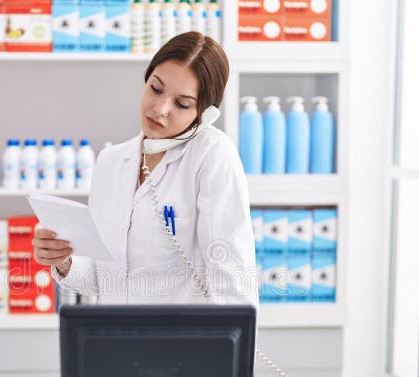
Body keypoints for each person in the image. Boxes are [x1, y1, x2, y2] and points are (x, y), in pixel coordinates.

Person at [33, 32, 257, 306]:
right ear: (146, 78)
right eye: (156, 88)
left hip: (183, 343)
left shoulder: (211, 155)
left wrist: (237, 345)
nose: (160, 109)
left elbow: (232, 276)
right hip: (114, 341)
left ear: (204, 114)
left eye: (182, 104)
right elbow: (101, 278)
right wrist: (64, 259)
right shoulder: (111, 161)